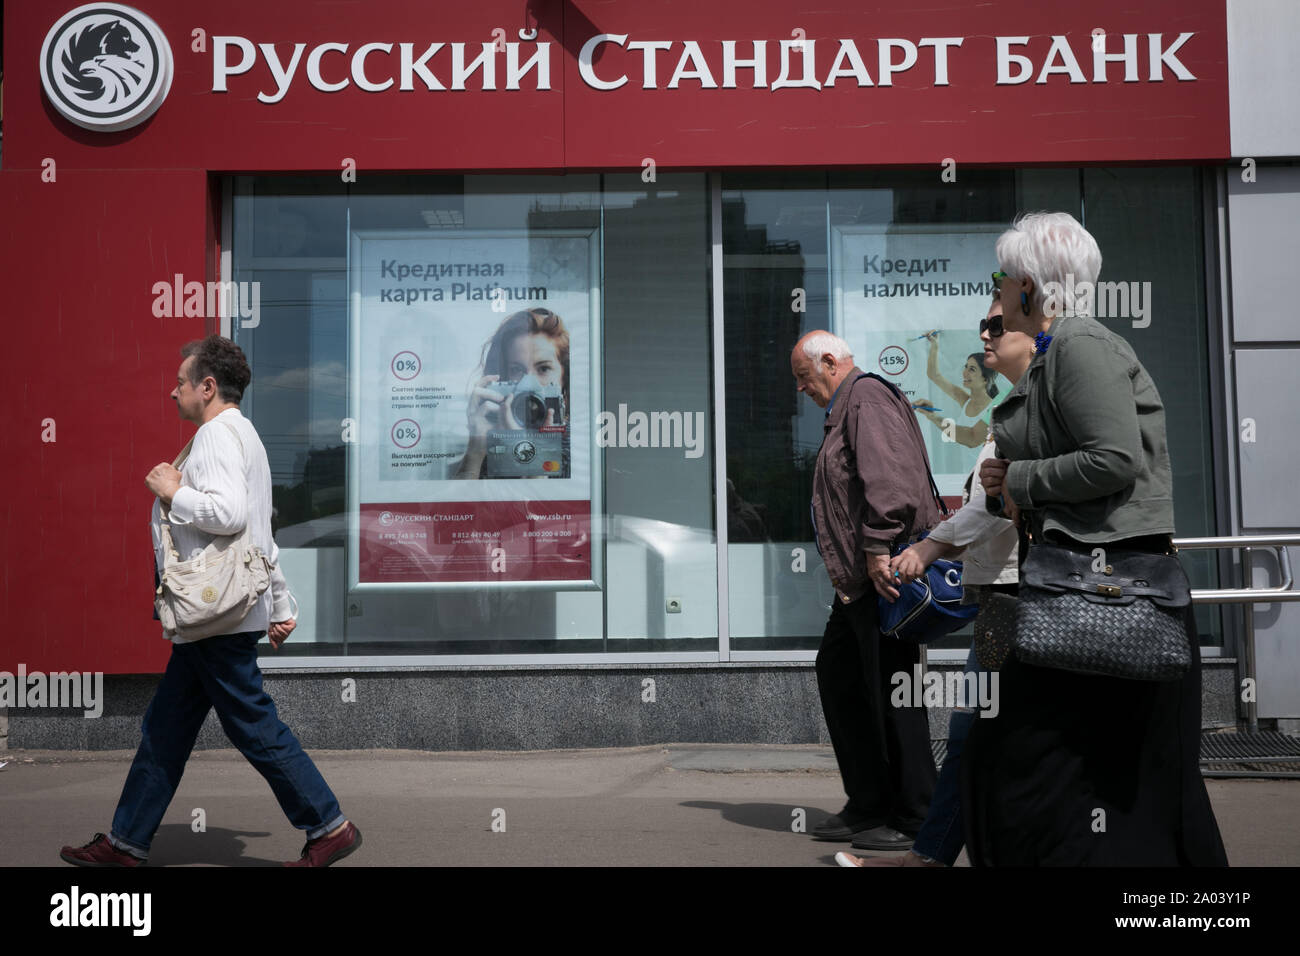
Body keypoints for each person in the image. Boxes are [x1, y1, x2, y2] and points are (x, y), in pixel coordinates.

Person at [969, 211, 1228, 866]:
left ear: (1031, 285)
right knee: (1087, 774)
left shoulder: (1081, 346)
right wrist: (1008, 479)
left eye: (1003, 278)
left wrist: (1021, 478)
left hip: (1109, 592)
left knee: (1107, 773)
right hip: (1075, 586)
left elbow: (1113, 459)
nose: (995, 292)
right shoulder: (1056, 352)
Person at [61, 336, 361, 868]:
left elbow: (228, 517)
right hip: (224, 615)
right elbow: (261, 537)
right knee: (166, 728)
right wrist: (280, 602)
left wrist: (171, 489)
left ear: (208, 387)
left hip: (217, 619)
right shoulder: (243, 436)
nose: (171, 391)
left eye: (180, 382)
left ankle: (328, 825)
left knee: (252, 725)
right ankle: (125, 844)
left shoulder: (217, 436)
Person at [837, 291, 1031, 867]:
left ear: (1037, 326)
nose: (986, 334)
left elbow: (990, 508)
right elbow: (988, 501)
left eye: (997, 323)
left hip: (1020, 596)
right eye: (983, 325)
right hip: (1005, 594)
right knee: (982, 733)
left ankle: (930, 856)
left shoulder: (1033, 409)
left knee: (980, 731)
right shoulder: (1013, 411)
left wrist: (925, 546)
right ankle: (933, 856)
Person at [791, 330, 940, 850]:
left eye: (804, 378)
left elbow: (891, 484)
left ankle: (916, 817)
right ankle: (870, 801)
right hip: (858, 580)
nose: (802, 390)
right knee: (841, 674)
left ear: (830, 362)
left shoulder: (866, 397)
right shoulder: (847, 405)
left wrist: (878, 548)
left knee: (894, 690)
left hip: (885, 572)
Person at [452, 307, 570, 479]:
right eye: (517, 370)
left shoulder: (580, 448)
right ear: (501, 377)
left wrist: (525, 450)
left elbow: (547, 505)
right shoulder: (490, 444)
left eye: (543, 368)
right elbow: (458, 505)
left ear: (564, 377)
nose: (529, 384)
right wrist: (476, 450)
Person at [912, 334, 1000, 448]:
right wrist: (934, 346)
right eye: (966, 367)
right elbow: (934, 375)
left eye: (972, 369)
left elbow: (971, 439)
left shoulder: (994, 409)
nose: (964, 373)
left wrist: (935, 418)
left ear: (985, 379)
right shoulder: (965, 400)